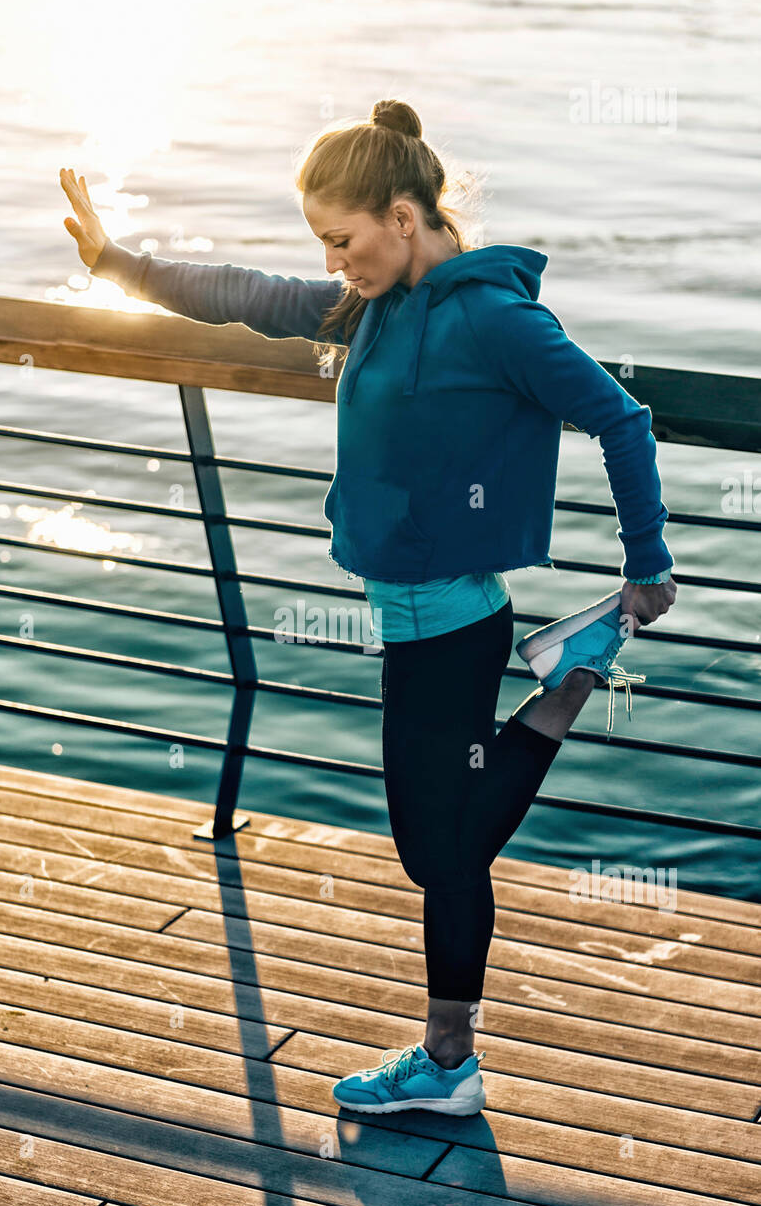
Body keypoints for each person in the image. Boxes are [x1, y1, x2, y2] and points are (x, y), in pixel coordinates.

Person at [59, 97, 676, 1119]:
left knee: (441, 853)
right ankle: (568, 680)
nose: (334, 262)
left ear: (403, 213)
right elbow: (244, 293)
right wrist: (116, 263)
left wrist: (647, 562)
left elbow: (622, 415)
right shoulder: (373, 304)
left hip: (454, 626)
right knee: (442, 847)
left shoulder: (495, 318)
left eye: (343, 241)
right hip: (417, 618)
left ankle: (449, 1059)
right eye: (324, 246)